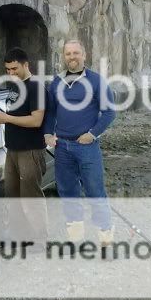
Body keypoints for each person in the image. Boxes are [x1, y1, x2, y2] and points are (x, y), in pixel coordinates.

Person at [43, 39, 116, 249]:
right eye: (68, 54)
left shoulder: (96, 81)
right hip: (62, 147)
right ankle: (75, 238)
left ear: (84, 55)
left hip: (86, 147)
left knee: (95, 191)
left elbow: (110, 112)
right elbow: (51, 112)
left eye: (76, 53)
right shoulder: (57, 82)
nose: (72, 57)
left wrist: (93, 134)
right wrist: (48, 133)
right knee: (67, 192)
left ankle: (106, 240)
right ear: (63, 57)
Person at [0, 47, 49, 244]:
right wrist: (0, 120)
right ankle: (20, 236)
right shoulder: (14, 86)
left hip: (30, 150)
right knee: (13, 195)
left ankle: (39, 239)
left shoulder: (36, 87)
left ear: (25, 65)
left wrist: (7, 118)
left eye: (14, 69)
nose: (11, 73)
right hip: (12, 149)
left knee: (30, 197)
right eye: (7, 70)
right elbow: (13, 117)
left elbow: (36, 120)